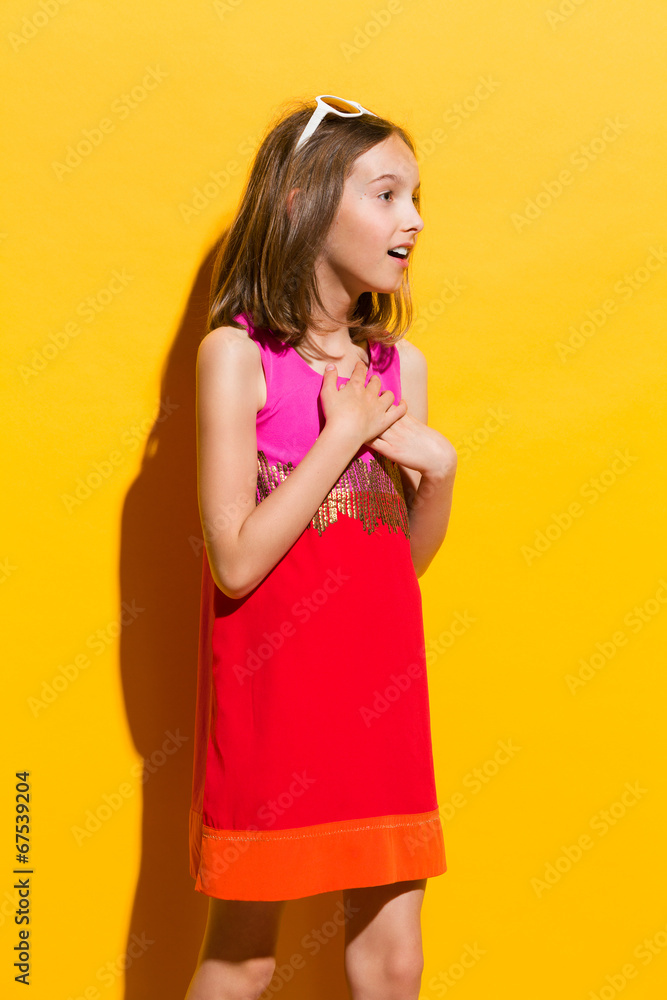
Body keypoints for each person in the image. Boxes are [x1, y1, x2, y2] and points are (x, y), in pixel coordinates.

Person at [185, 94, 458, 1000]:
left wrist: (442, 474)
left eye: (415, 197)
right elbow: (233, 561)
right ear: (302, 202)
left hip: (381, 699)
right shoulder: (236, 356)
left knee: (393, 957)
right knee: (246, 956)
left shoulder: (398, 368)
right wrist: (341, 437)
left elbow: (401, 565)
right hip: (275, 702)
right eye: (386, 195)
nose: (412, 219)